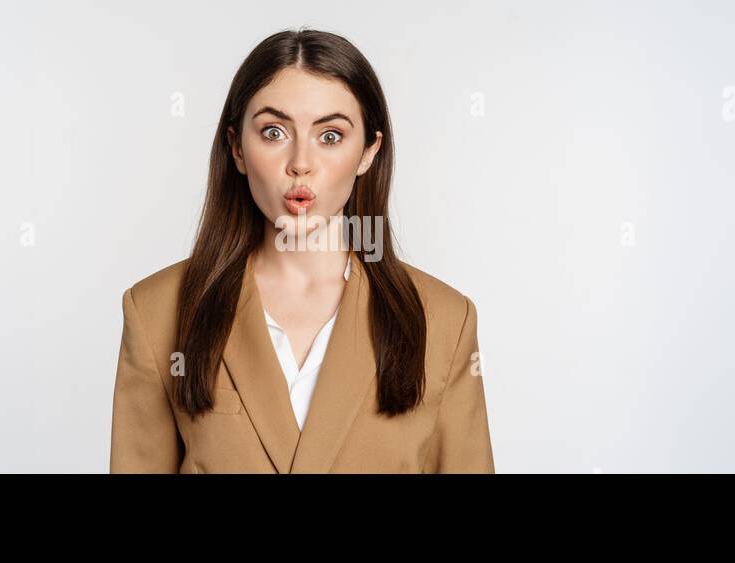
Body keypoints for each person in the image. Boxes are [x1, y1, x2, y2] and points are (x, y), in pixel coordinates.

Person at [110, 28, 493, 473]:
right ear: (236, 147)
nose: (301, 162)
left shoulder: (444, 320)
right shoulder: (157, 311)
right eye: (273, 131)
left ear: (369, 151)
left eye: (330, 136)